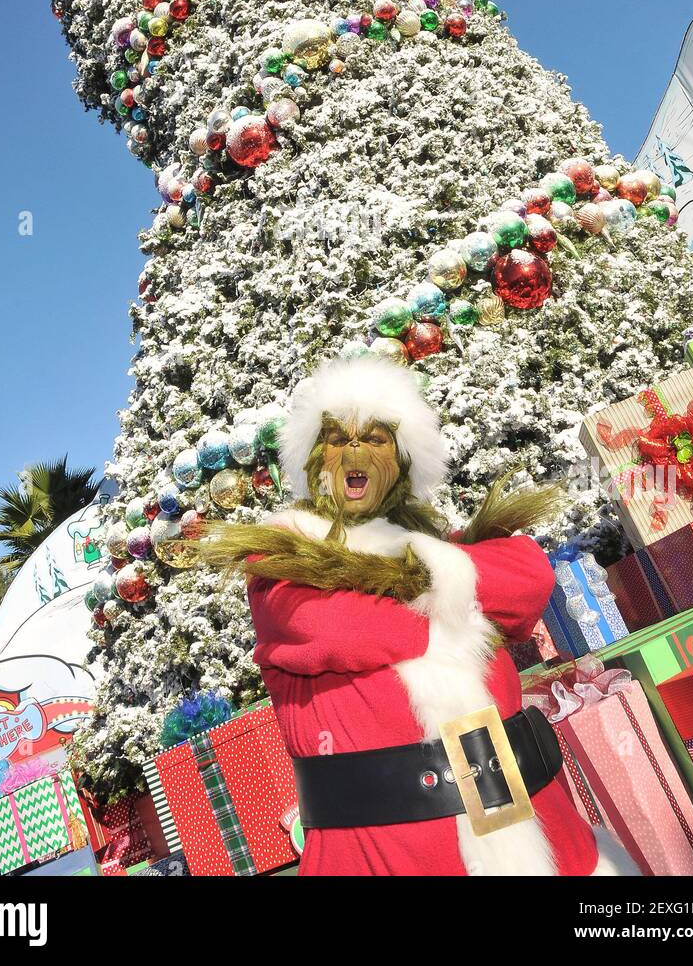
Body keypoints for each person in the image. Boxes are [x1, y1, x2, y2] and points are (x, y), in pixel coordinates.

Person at [201, 355, 637, 877]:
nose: (354, 451)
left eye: (376, 438)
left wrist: (433, 570)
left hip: (539, 837)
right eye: (338, 439)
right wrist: (455, 604)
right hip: (386, 853)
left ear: (403, 462)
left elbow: (528, 577)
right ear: (315, 460)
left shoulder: (436, 549)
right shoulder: (281, 561)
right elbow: (335, 629)